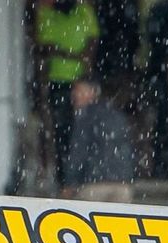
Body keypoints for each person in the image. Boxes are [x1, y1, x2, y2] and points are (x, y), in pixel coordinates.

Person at [34, 0, 99, 176]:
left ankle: (84, 172)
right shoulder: (47, 14)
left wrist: (66, 54)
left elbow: (92, 43)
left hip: (82, 80)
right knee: (62, 131)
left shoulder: (84, 11)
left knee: (85, 127)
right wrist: (74, 55)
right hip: (58, 81)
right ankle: (65, 176)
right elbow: (45, 47)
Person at [59, 79, 134, 201]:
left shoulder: (85, 117)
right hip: (122, 184)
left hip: (94, 184)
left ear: (93, 93)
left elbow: (79, 151)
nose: (74, 95)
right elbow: (127, 148)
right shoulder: (117, 115)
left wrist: (70, 183)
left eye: (79, 91)